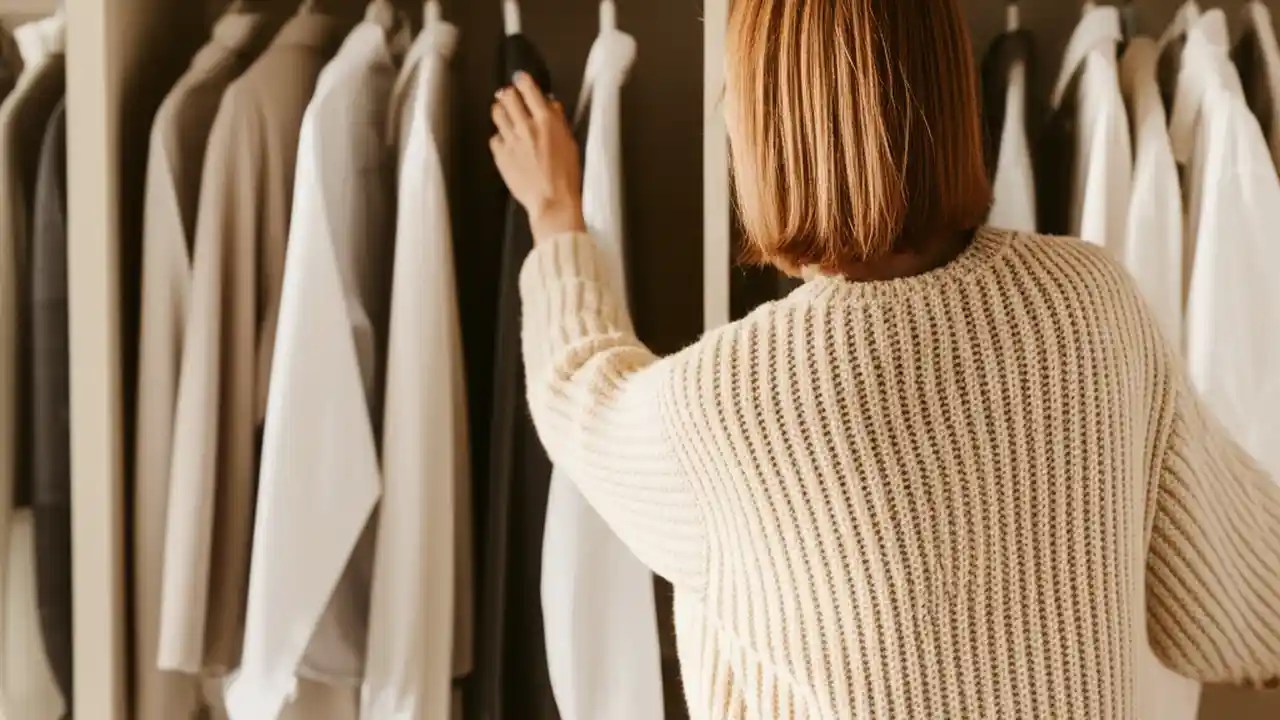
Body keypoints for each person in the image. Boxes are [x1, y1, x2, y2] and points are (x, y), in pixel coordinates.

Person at [488, 1, 1280, 717]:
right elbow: (1237, 598)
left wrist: (556, 214)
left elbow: (577, 391)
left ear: (768, 131)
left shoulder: (729, 401)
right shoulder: (1093, 303)